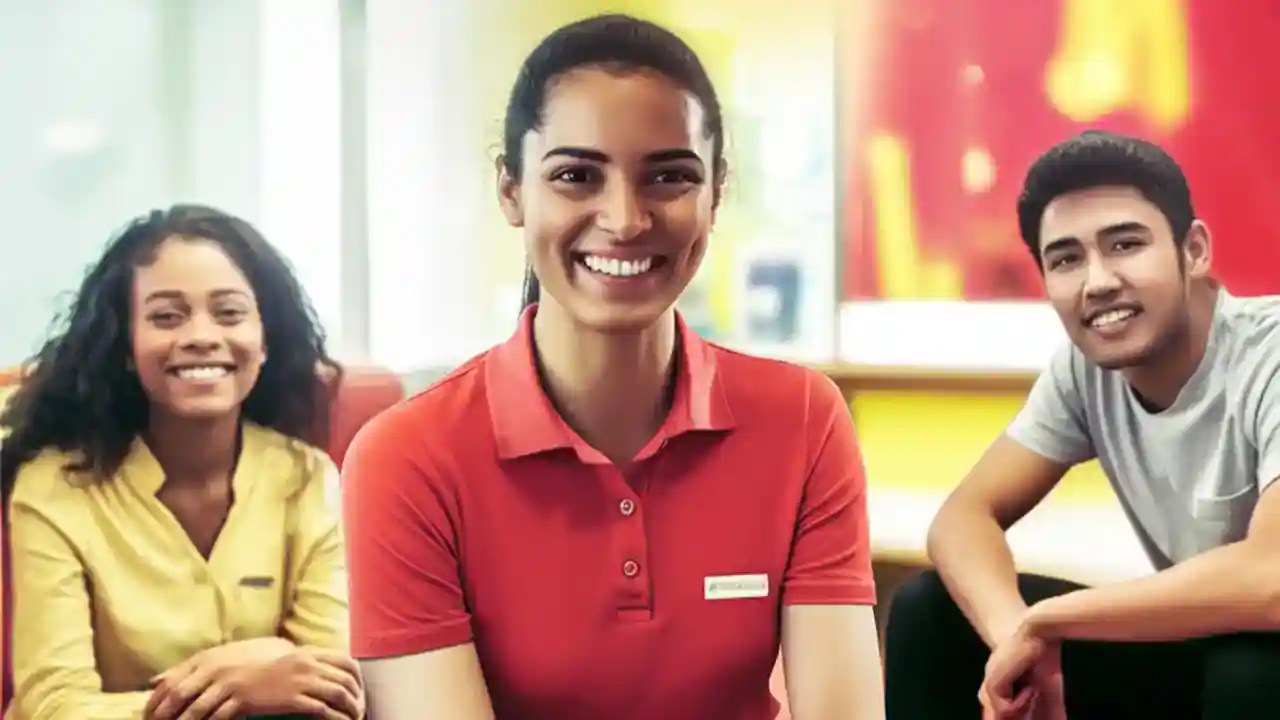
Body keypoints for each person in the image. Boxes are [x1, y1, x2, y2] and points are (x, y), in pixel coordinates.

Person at [340, 13, 885, 720]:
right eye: (575, 176)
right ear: (510, 189)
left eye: (669, 177)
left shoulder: (803, 419)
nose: (625, 218)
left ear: (715, 193)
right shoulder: (406, 458)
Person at [881, 130, 1280, 719]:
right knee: (930, 612)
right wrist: (1015, 636)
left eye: (1125, 245)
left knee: (1252, 673)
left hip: (1258, 660)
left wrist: (1051, 620)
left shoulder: (1267, 353)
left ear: (1193, 250)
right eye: (1066, 258)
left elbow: (1270, 579)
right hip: (1207, 653)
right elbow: (962, 519)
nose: (1097, 282)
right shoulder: (1086, 371)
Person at [1, 205, 364, 719]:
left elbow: (334, 687)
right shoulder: (54, 486)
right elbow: (54, 708)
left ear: (265, 341)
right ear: (124, 346)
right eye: (166, 316)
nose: (200, 335)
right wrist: (243, 683)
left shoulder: (306, 477)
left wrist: (254, 677)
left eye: (229, 312)